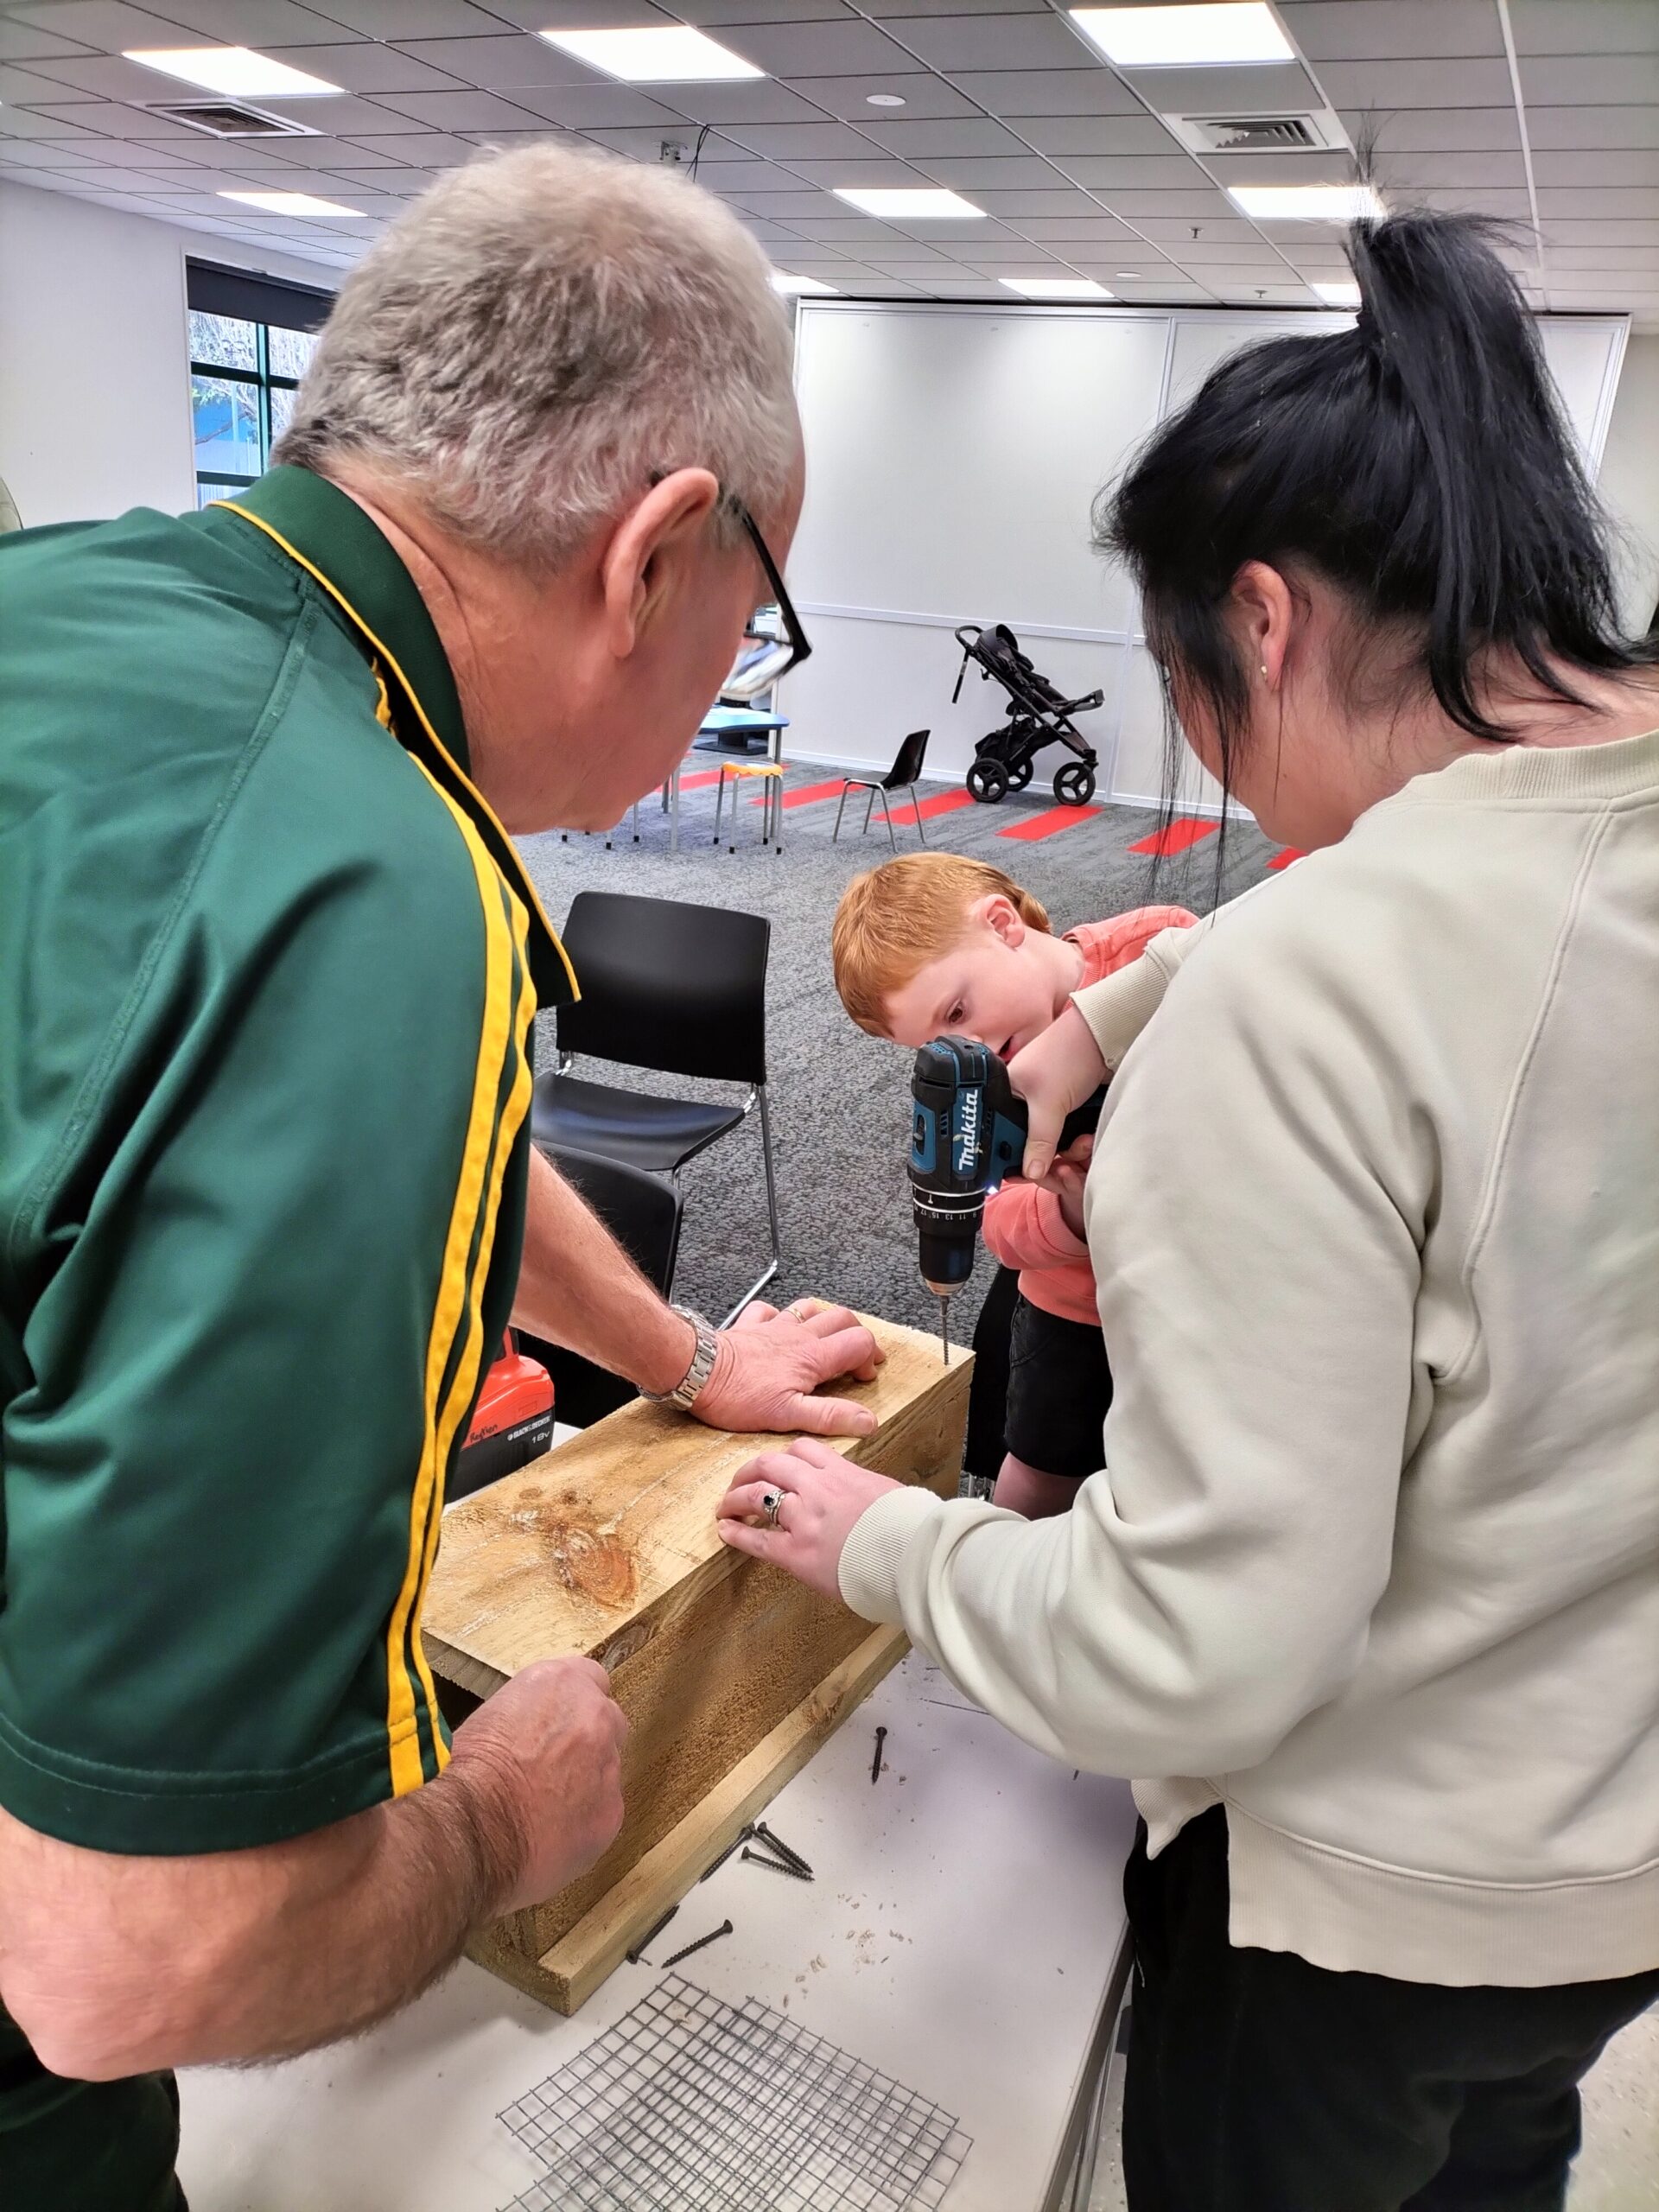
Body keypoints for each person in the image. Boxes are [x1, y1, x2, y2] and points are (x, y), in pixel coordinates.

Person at [718, 210, 1659, 2210]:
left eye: (1189, 692)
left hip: (1361, 1900)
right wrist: (1111, 1019)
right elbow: (1458, 935)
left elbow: (1191, 1652)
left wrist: (894, 1538)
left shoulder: (1300, 1000)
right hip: (1608, 1855)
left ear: (1261, 621)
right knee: (1506, 2156)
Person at [0, 145, 884, 2210]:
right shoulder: (377, 887)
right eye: (755, 617)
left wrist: (682, 1351)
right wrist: (499, 1814)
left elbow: (237, 1131)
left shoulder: (60, 608)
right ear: (659, 553)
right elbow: (128, 1954)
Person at [831, 854, 1194, 1517]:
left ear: (1002, 924)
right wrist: (1073, 1214)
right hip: (1072, 1309)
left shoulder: (1154, 947)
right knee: (1032, 1483)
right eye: (933, 1045)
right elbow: (999, 1222)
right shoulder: (977, 1089)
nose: (966, 1050)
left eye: (959, 1009)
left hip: (1195, 1286)